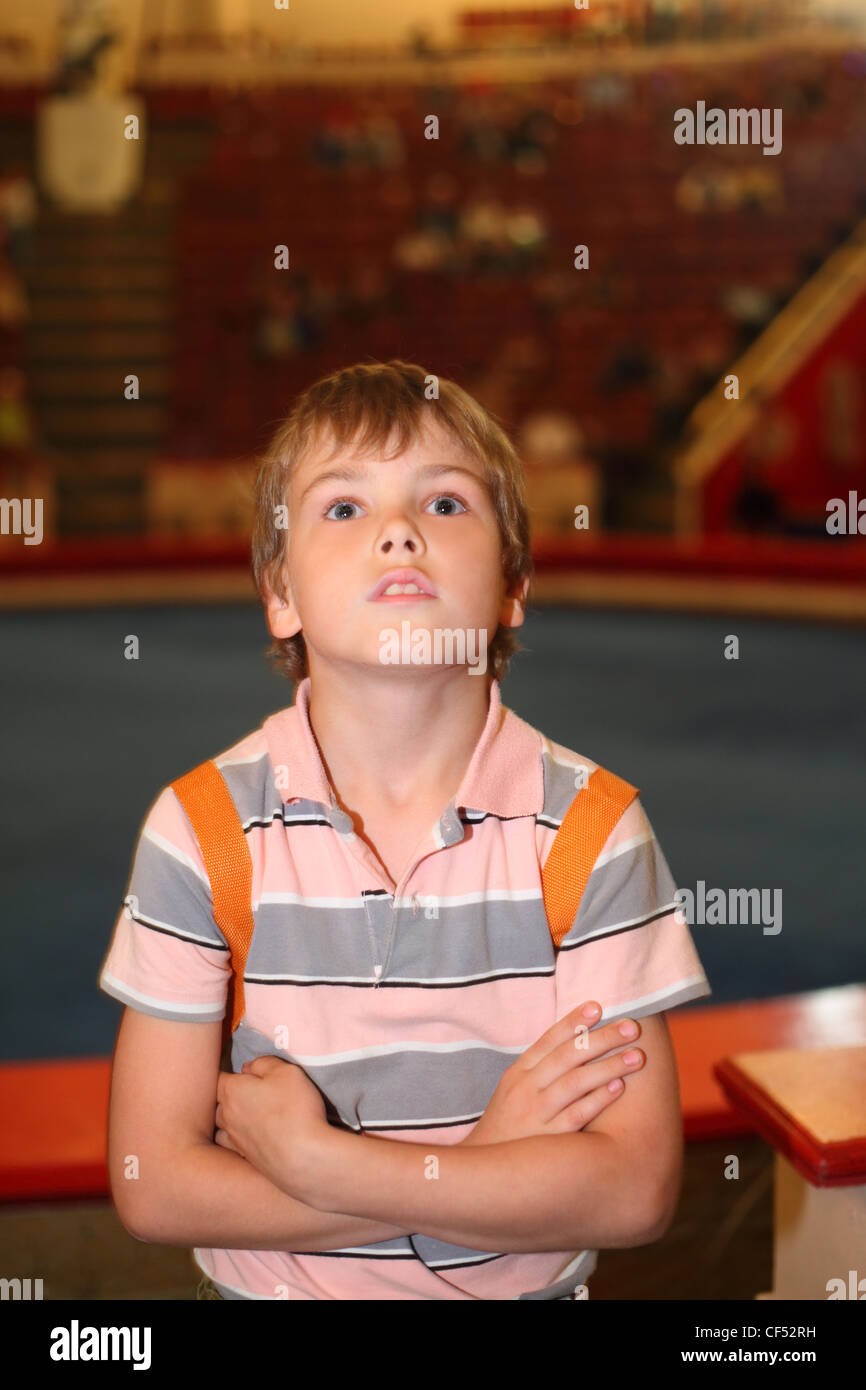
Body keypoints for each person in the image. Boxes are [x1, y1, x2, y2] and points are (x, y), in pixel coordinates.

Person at [99, 359, 711, 1301]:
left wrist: (320, 1162)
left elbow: (633, 1193)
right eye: (343, 509)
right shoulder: (203, 828)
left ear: (512, 585)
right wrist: (488, 1161)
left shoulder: (590, 832)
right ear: (281, 594)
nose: (397, 533)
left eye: (447, 505)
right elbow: (153, 1186)